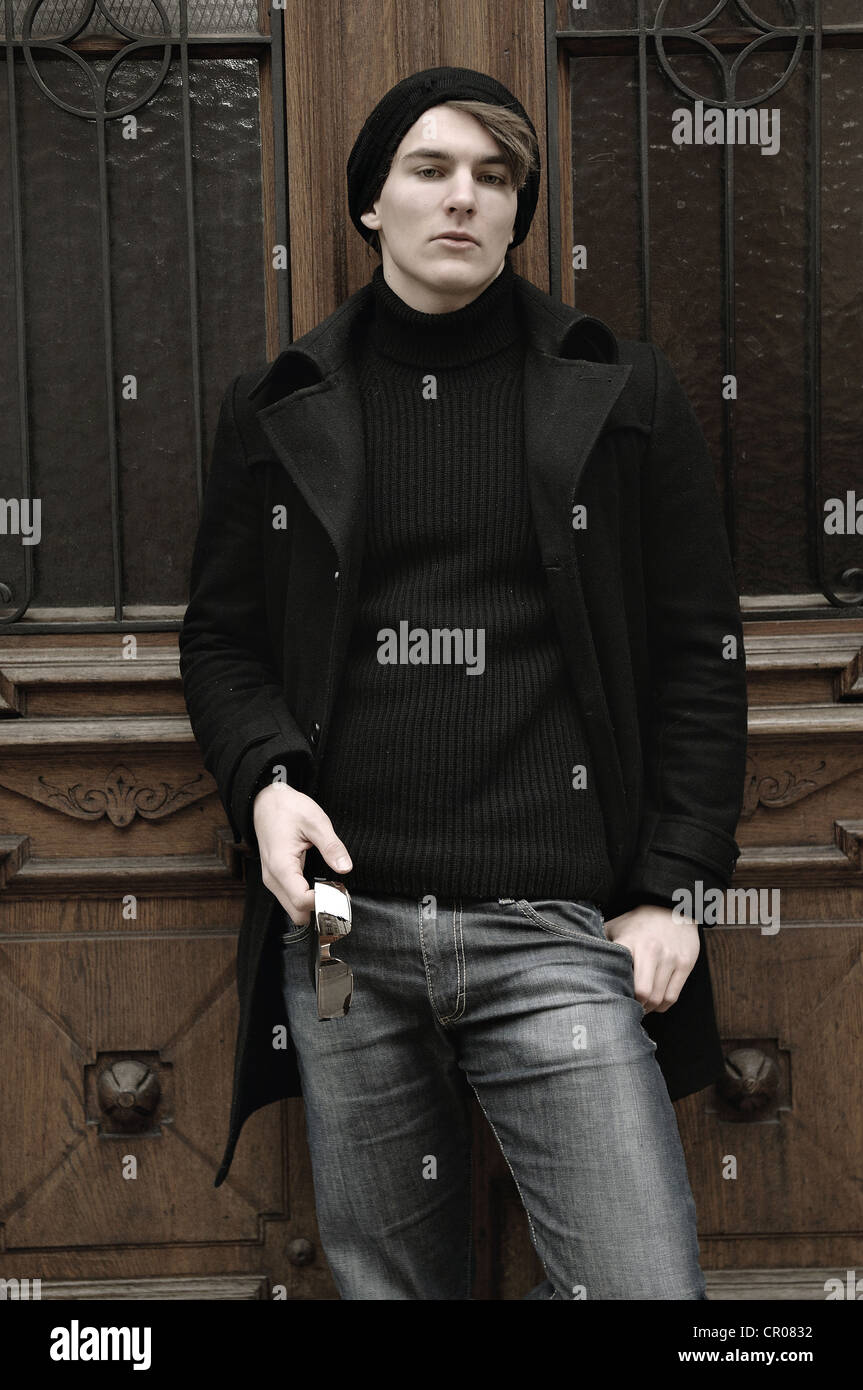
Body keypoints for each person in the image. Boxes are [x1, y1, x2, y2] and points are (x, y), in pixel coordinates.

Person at [179, 66, 748, 1300]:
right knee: (390, 1286)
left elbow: (697, 653)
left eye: (494, 178)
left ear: (517, 209)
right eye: (429, 170)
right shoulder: (281, 406)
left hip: (554, 929)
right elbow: (220, 639)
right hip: (340, 927)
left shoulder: (621, 394)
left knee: (644, 1288)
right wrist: (266, 783)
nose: (464, 199)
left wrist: (669, 887)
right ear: (370, 203)